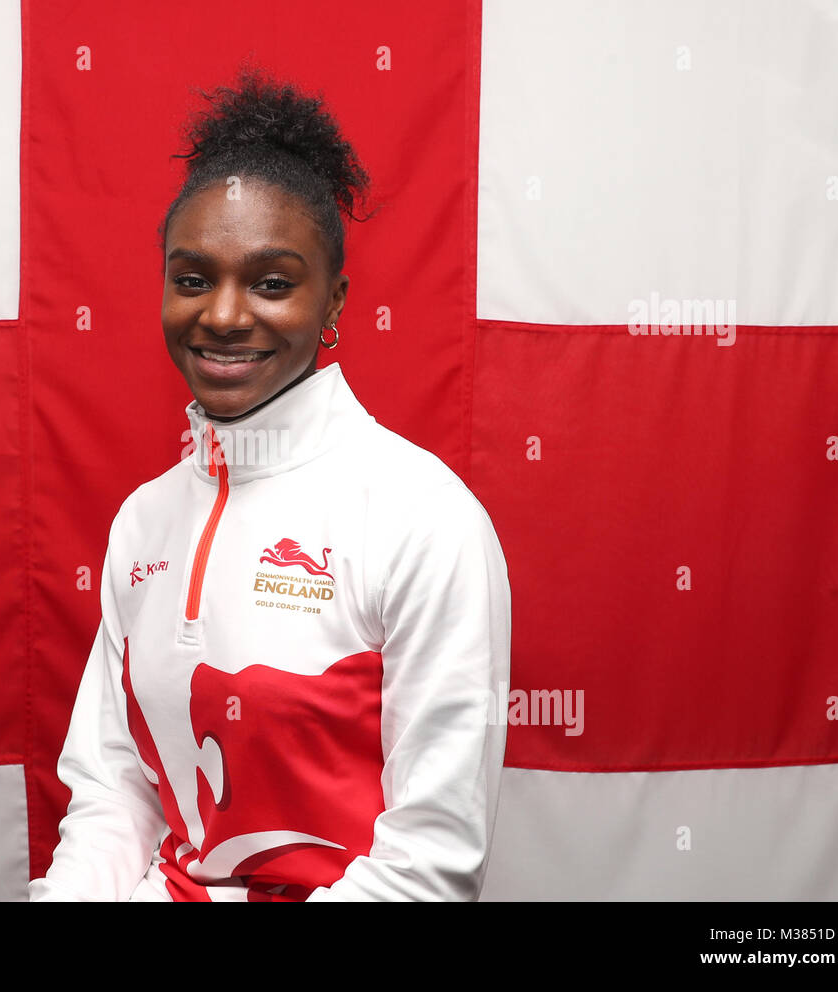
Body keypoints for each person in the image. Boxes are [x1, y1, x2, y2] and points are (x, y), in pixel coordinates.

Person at [29, 64, 511, 902]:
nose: (222, 314)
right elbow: (115, 794)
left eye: (272, 282)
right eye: (192, 278)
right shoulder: (144, 521)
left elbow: (430, 867)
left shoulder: (423, 518)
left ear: (334, 304)